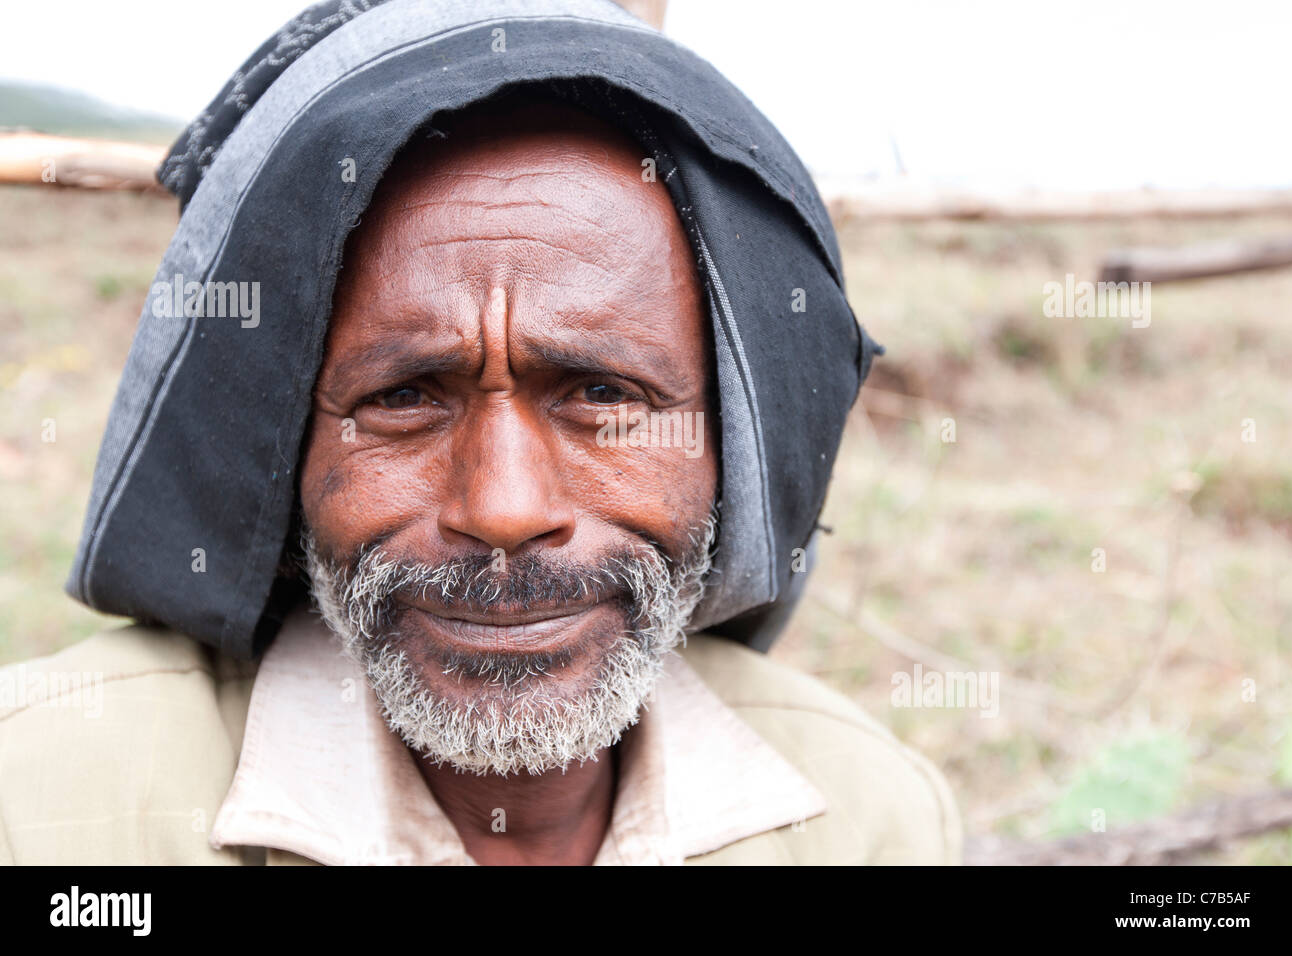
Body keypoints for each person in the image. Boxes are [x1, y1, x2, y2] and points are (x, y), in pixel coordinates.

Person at [0, 0, 960, 865]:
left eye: (601, 393)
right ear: (287, 445)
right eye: (405, 397)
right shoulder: (46, 804)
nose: (503, 509)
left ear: (734, 451)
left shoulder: (870, 819)